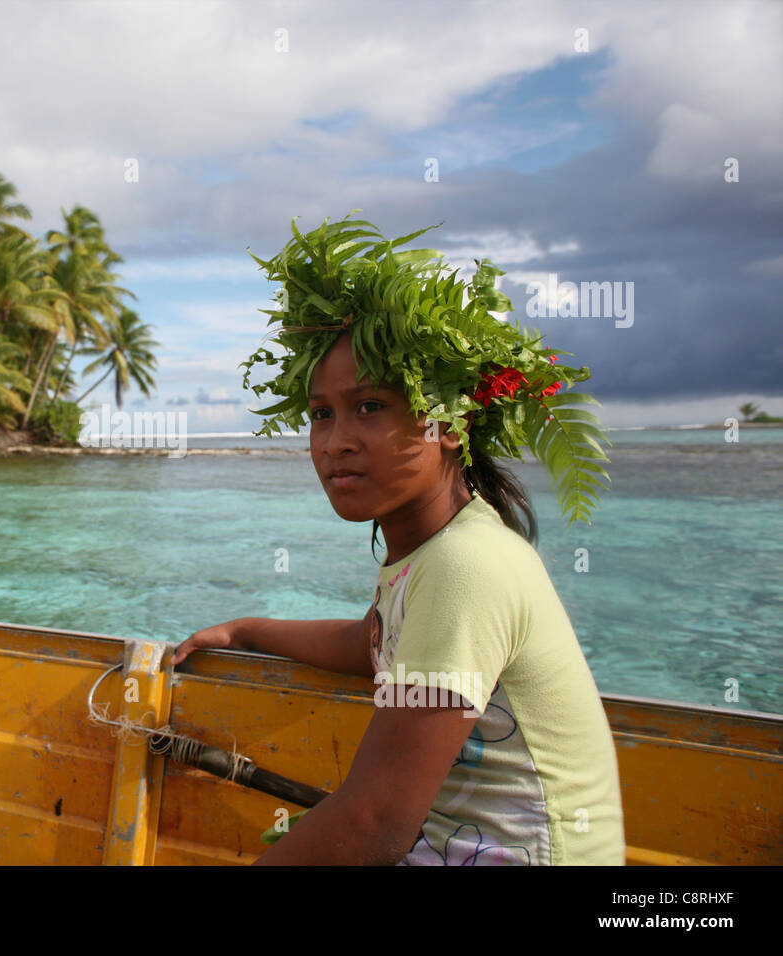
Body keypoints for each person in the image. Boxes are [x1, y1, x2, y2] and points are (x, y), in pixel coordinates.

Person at [172, 212, 624, 865]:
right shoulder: (432, 552)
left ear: (448, 422)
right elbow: (375, 642)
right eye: (322, 414)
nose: (336, 441)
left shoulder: (467, 565)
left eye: (370, 407)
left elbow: (374, 822)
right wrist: (246, 631)